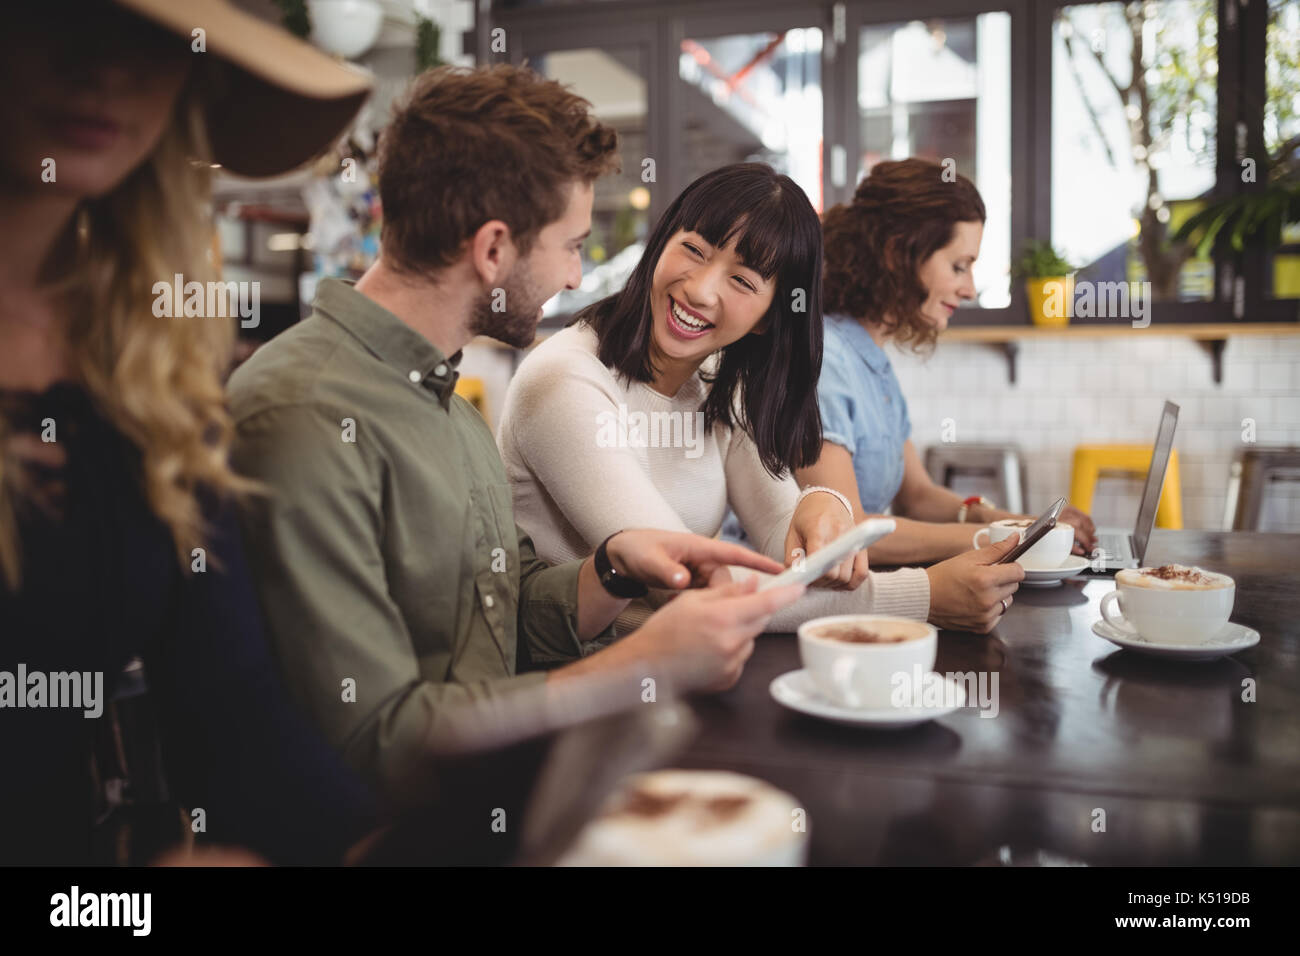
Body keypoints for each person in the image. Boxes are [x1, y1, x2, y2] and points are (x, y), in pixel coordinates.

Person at [227, 66, 804, 810]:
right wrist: (639, 666)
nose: (574, 277)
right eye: (570, 246)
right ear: (495, 251)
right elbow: (375, 741)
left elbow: (505, 619)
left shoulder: (447, 406)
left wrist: (617, 568)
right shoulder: (304, 418)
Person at [0, 0, 379, 864]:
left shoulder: (148, 372)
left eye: (152, 37)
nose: (107, 66)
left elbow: (235, 708)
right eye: (60, 11)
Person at [498, 163, 1025, 637]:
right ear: (661, 240)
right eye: (694, 250)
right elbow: (692, 587)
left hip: (683, 671)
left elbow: (781, 536)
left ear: (771, 316)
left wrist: (826, 504)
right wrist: (923, 596)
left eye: (743, 280)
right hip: (581, 683)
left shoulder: (715, 377)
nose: (701, 290)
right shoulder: (566, 380)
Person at [796, 158, 1097, 565]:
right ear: (896, 253)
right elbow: (847, 531)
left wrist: (1020, 524)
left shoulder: (872, 360)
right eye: (959, 266)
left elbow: (917, 495)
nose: (970, 289)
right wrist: (995, 540)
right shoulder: (825, 360)